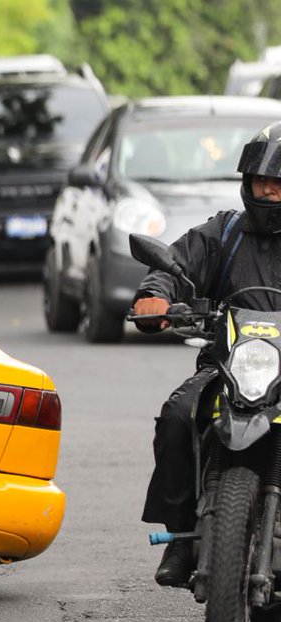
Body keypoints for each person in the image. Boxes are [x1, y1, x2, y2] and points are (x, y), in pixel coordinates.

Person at [132, 122, 281, 587]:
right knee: (178, 415)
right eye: (261, 182)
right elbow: (174, 266)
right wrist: (155, 295)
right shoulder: (225, 233)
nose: (268, 191)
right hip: (228, 369)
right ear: (247, 182)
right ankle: (182, 536)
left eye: (277, 184)